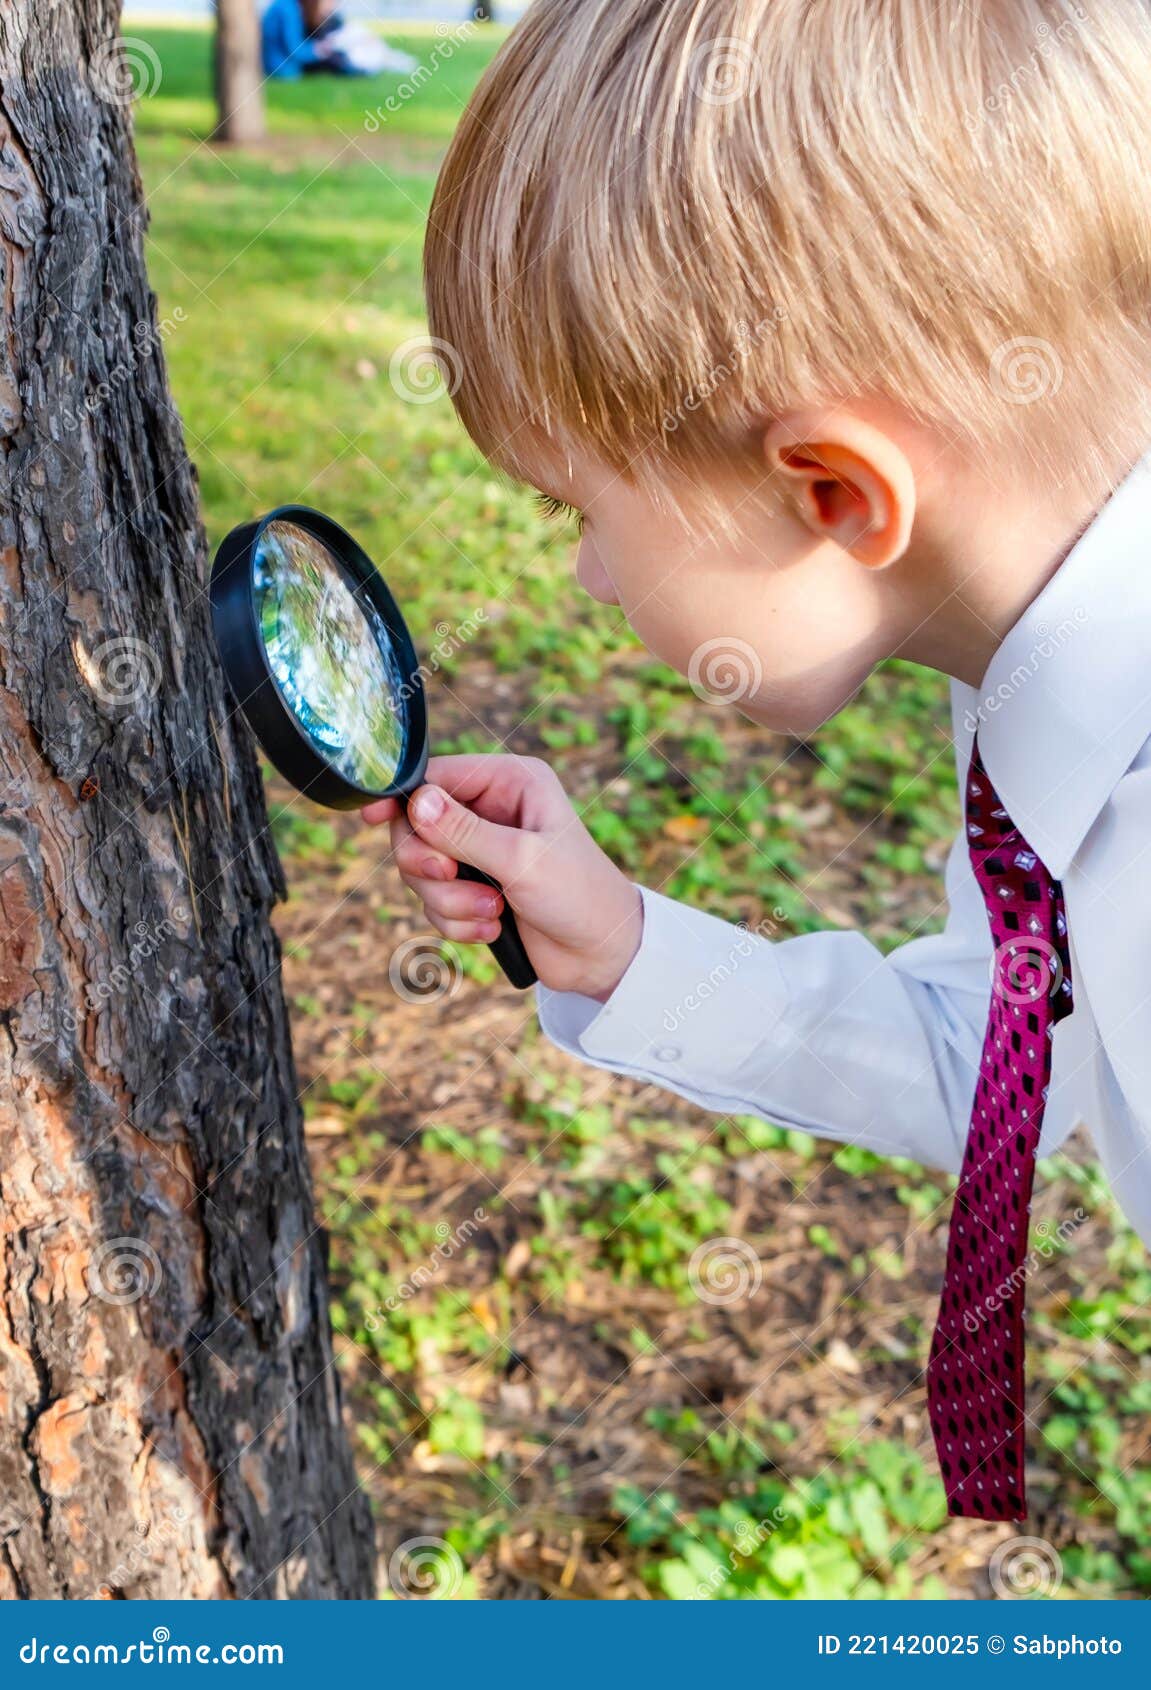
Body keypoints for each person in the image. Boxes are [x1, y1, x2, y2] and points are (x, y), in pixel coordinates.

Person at [364, 0, 1151, 1520]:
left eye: (580, 511)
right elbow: (1004, 1053)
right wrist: (629, 948)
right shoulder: (1038, 678)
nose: (589, 576)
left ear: (834, 494)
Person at [260, 0, 416, 81]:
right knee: (337, 57)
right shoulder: (287, 8)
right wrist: (320, 50)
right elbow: (295, 51)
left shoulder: (288, 6)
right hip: (284, 70)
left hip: (288, 65)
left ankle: (380, 60)